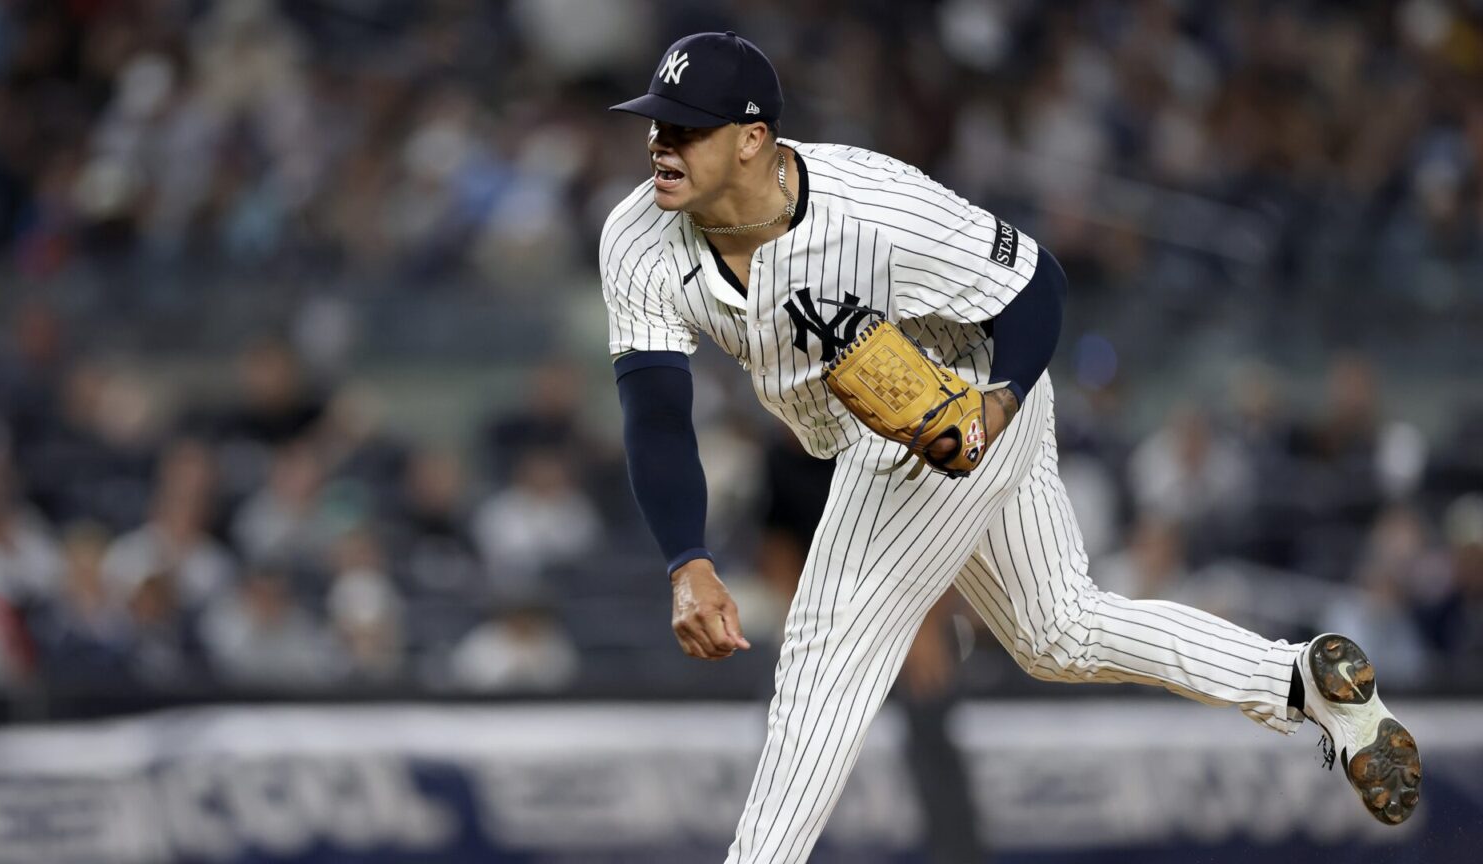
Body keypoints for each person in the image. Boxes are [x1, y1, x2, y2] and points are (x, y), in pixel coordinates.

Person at [599, 32, 1421, 863]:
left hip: (966, 388)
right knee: (1057, 632)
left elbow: (1037, 285)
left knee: (826, 650)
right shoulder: (637, 236)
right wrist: (687, 560)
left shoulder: (875, 204)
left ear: (752, 140)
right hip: (872, 427)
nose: (661, 144)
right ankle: (1295, 682)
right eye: (656, 123)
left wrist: (997, 405)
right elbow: (656, 408)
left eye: (686, 128)